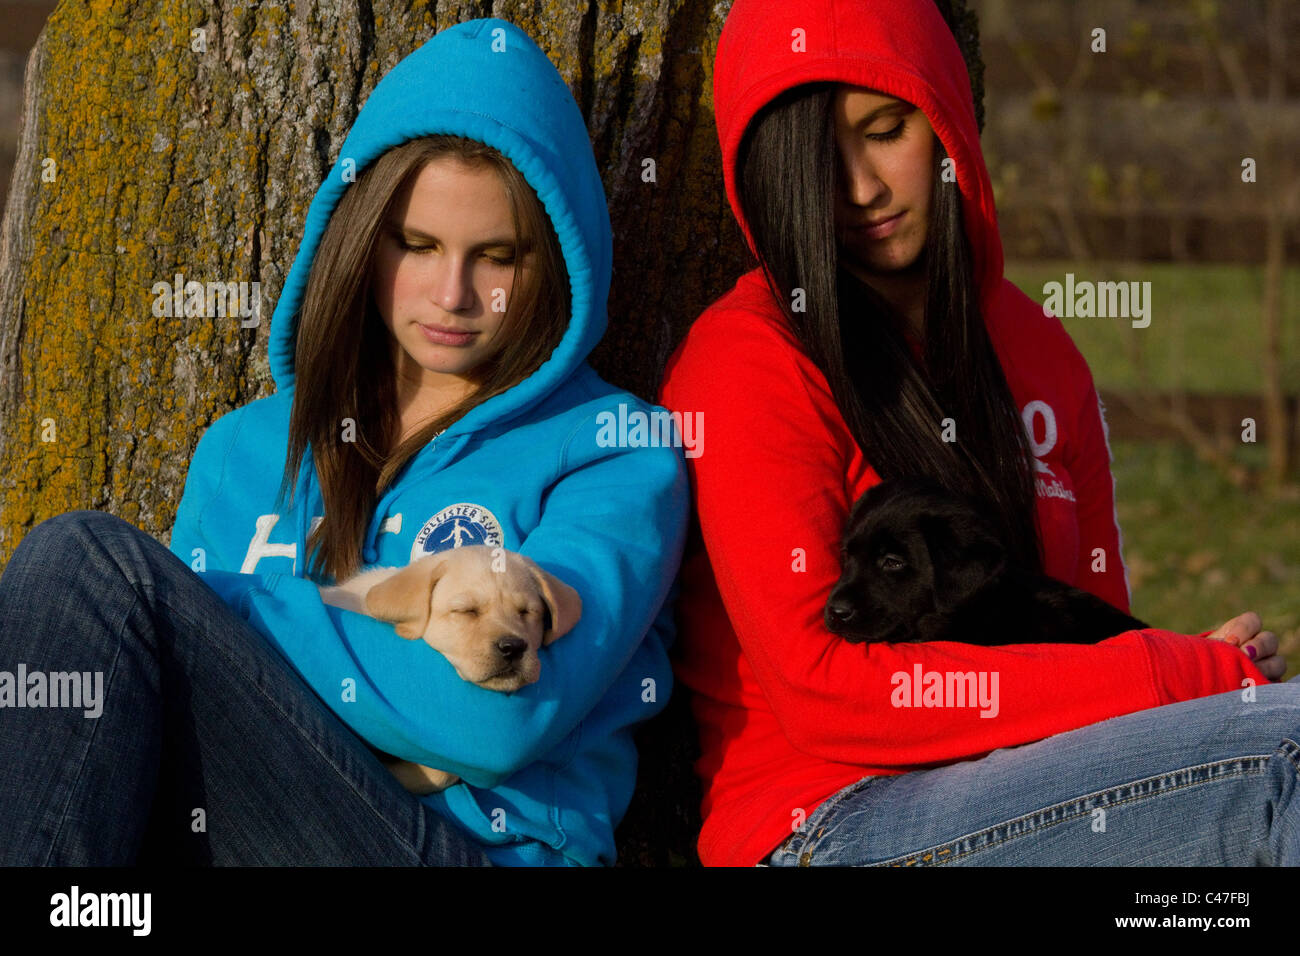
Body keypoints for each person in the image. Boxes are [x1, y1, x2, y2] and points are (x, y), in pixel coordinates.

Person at [0, 17, 688, 867]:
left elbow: (499, 714)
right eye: (419, 244)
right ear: (363, 239)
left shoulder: (612, 453)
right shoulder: (243, 454)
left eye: (498, 256)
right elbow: (169, 727)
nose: (454, 293)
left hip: (471, 852)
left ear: (551, 264)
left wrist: (214, 609)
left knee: (88, 571)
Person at [657, 0, 1296, 867]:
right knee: (1279, 762)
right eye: (818, 158)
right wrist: (1172, 677)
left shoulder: (1037, 352)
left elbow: (1077, 636)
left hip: (1032, 792)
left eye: (887, 129)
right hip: (828, 822)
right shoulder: (749, 360)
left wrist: (1188, 678)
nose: (860, 189)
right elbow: (822, 688)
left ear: (947, 118)